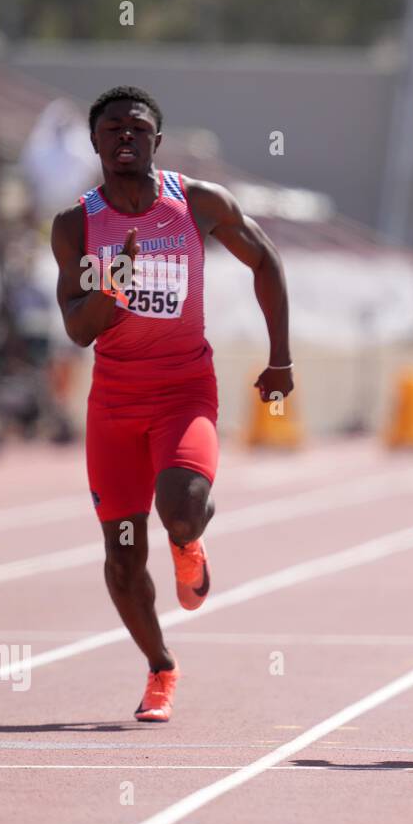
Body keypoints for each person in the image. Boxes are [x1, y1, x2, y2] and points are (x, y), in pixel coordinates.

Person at [50, 86, 293, 722]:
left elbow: (264, 260)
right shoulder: (76, 225)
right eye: (112, 130)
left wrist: (281, 358)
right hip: (114, 405)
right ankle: (160, 666)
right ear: (96, 142)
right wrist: (113, 288)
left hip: (184, 389)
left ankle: (188, 543)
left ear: (157, 140)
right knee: (124, 557)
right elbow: (78, 327)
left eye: (137, 128)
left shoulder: (199, 204)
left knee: (181, 507)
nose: (124, 138)